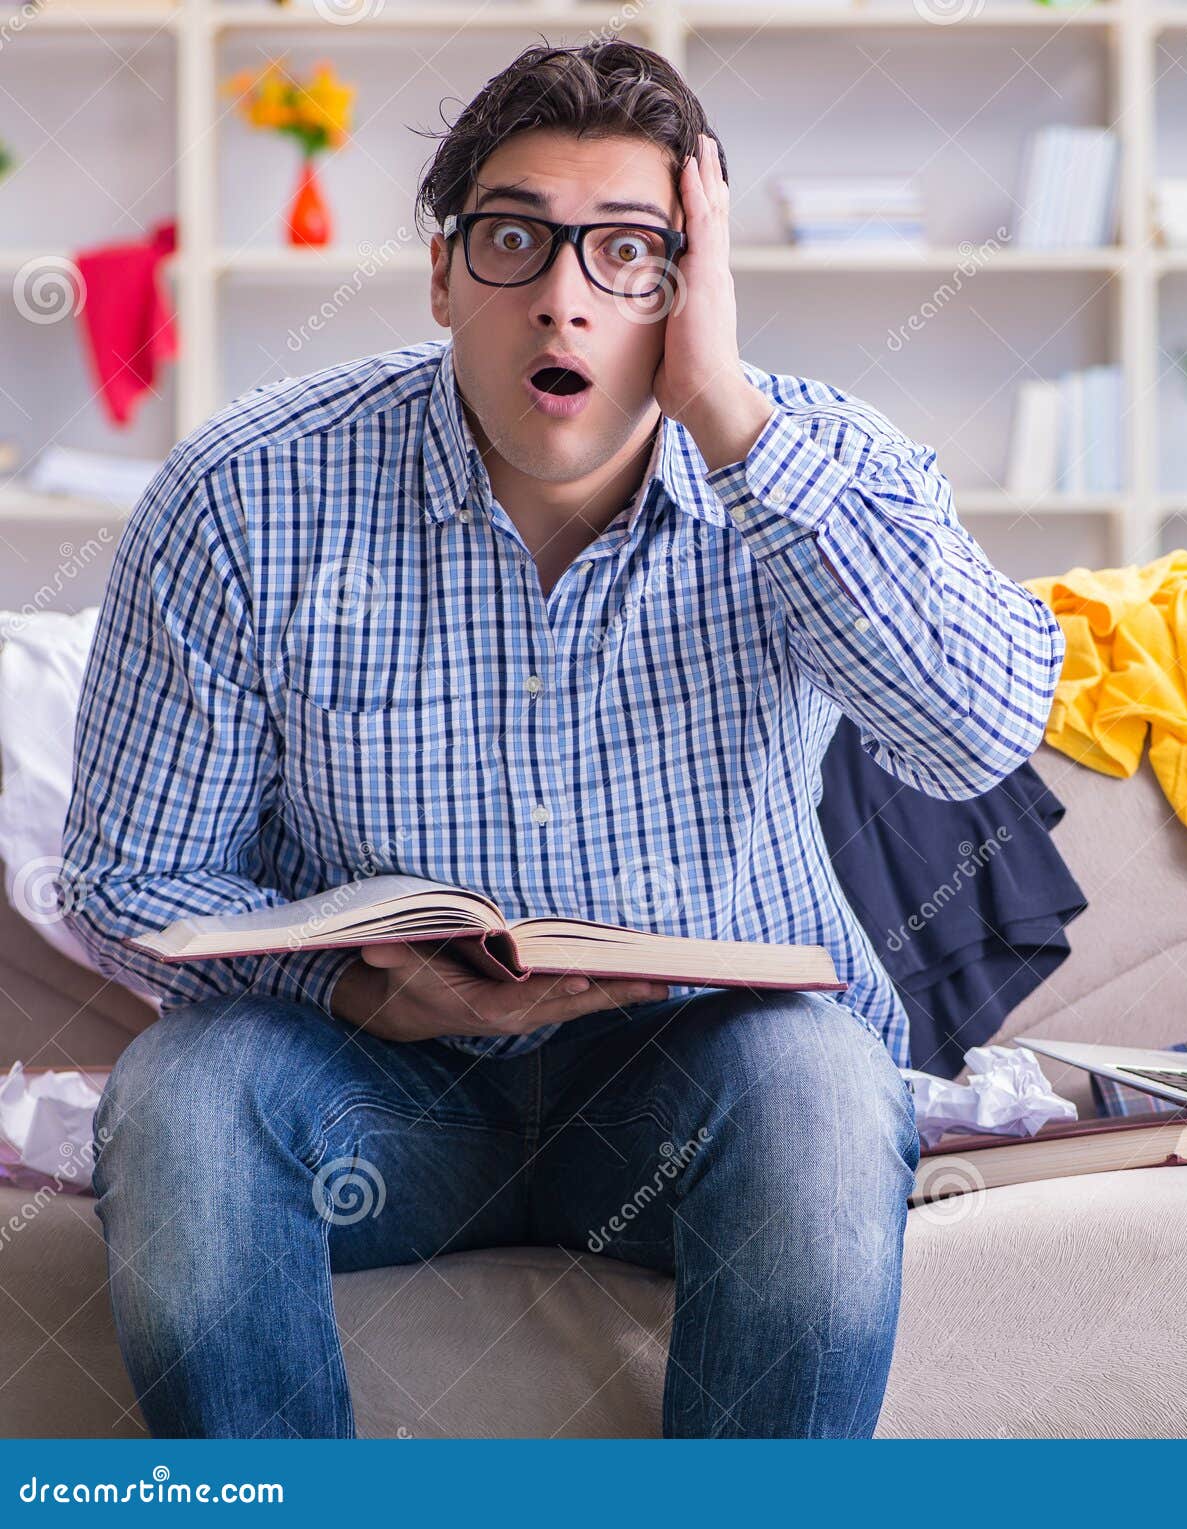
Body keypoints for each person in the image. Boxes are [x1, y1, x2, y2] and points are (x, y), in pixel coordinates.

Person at [61, 38, 1063, 1440]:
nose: (563, 298)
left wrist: (729, 417)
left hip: (705, 1088)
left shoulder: (819, 460)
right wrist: (357, 991)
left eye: (630, 253)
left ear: (696, 285)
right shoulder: (243, 493)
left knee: (825, 1082)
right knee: (184, 1096)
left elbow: (981, 735)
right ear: (441, 273)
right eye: (515, 239)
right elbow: (128, 877)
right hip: (371, 1090)